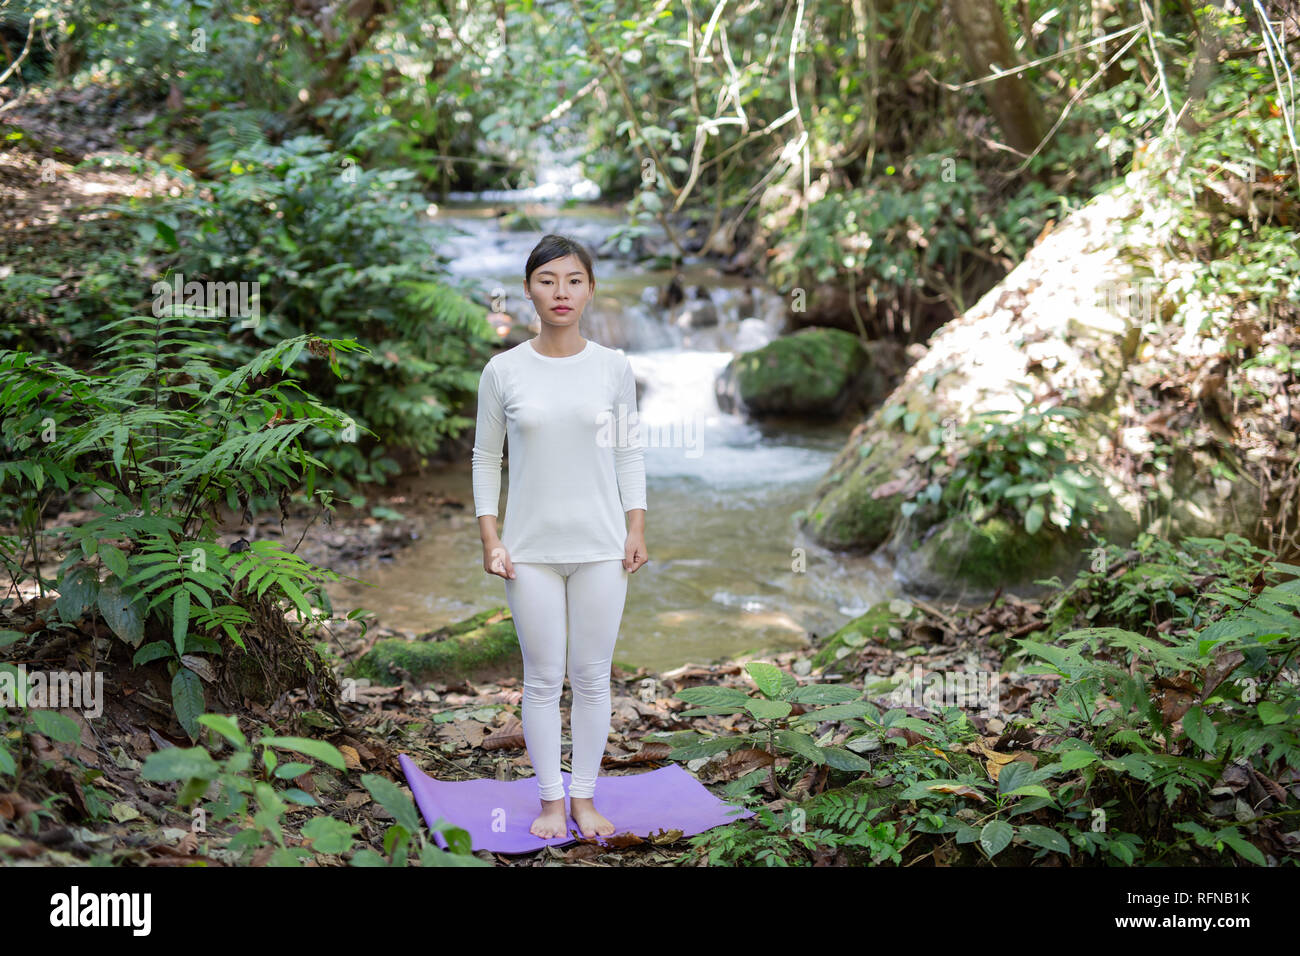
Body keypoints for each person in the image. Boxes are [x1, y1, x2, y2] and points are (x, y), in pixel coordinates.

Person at [471, 234, 649, 840]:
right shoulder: (502, 370)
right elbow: (484, 458)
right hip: (529, 552)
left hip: (602, 547)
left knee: (594, 677)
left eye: (573, 280)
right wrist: (490, 537)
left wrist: (636, 527)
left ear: (590, 288)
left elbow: (629, 451)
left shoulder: (613, 367)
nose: (561, 292)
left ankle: (585, 797)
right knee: (544, 679)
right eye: (548, 280)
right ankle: (550, 801)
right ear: (529, 290)